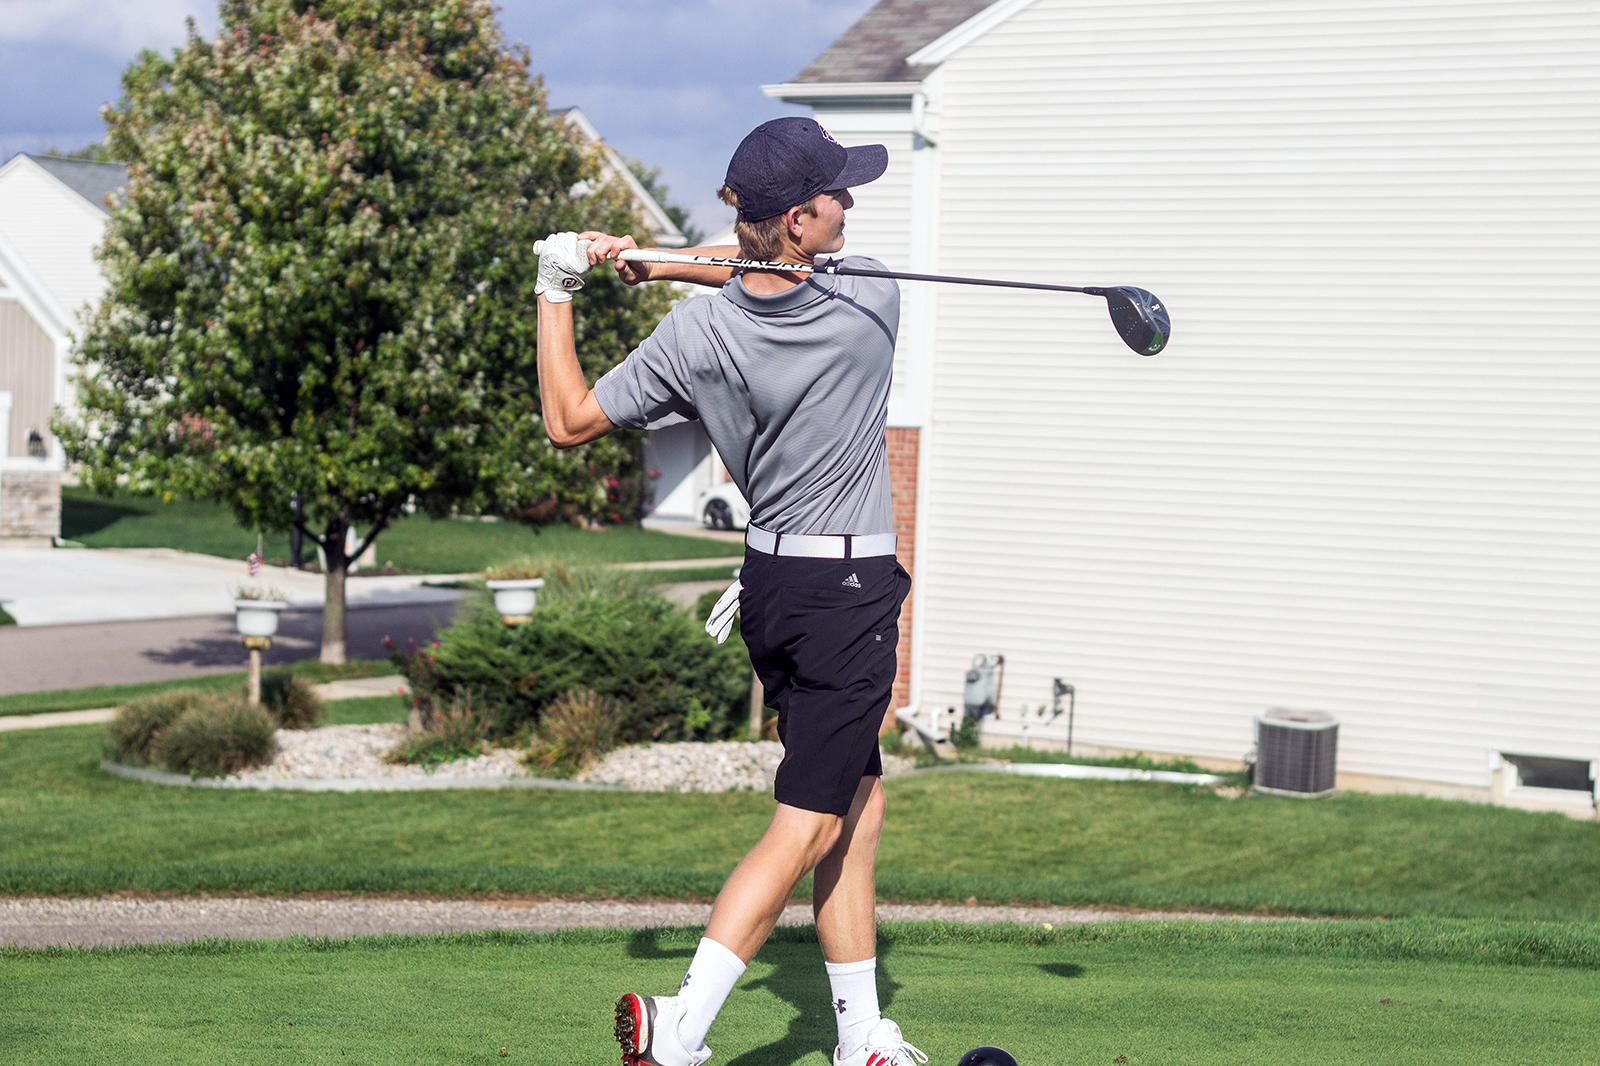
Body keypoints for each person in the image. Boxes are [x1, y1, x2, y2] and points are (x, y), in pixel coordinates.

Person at [533, 116, 919, 1066]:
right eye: (835, 194)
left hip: (772, 588)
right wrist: (667, 264)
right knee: (807, 823)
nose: (850, 203)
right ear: (798, 221)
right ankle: (681, 1024)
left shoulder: (695, 334)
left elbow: (569, 418)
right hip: (848, 596)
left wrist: (559, 289)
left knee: (857, 805)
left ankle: (860, 1037)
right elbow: (764, 273)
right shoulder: (869, 298)